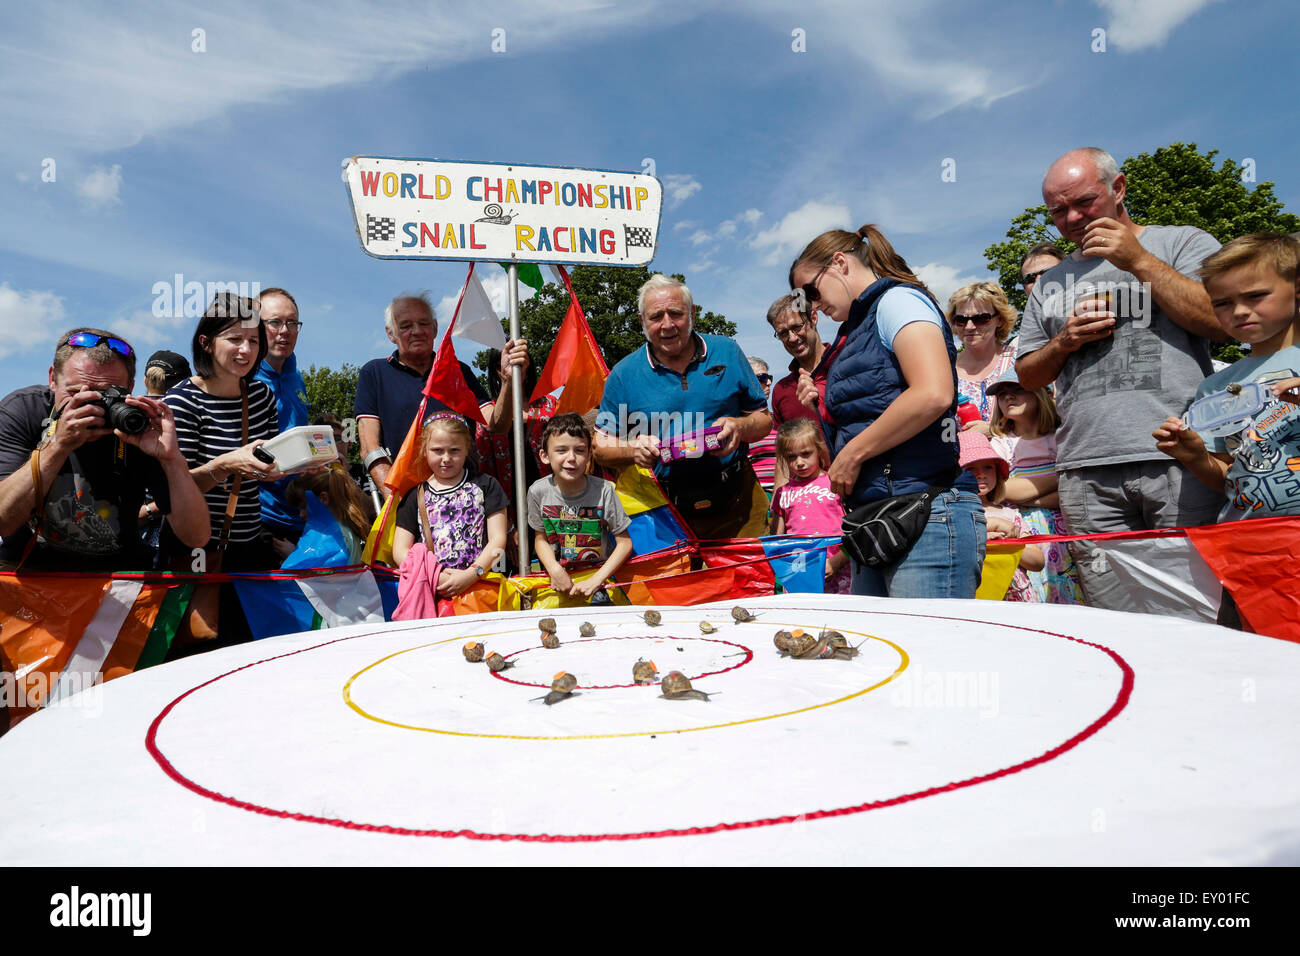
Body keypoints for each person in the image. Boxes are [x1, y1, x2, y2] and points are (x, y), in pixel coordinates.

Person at [1016, 147, 1225, 613]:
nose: (1071, 217)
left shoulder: (1183, 243)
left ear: (1119, 188)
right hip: (1085, 469)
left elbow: (1219, 319)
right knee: (1116, 621)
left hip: (1178, 458)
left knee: (1197, 612)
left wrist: (1137, 260)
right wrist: (1064, 341)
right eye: (1057, 210)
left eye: (1084, 202)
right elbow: (1028, 373)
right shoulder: (1052, 281)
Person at [789, 224, 984, 599]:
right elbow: (875, 412)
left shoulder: (898, 301)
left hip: (924, 515)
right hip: (883, 519)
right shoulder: (858, 325)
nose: (811, 305)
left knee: (927, 654)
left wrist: (854, 453)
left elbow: (933, 392)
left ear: (840, 263)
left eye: (810, 291)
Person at [1152, 233, 1300, 628]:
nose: (1239, 312)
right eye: (1222, 303)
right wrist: (1196, 457)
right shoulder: (1216, 387)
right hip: (1251, 552)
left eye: (1255, 296)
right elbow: (1228, 478)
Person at [0, 329, 209, 570]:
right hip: (27, 574)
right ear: (52, 379)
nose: (89, 405)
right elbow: (3, 522)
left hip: (115, 583)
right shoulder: (25, 410)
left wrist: (172, 460)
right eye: (75, 392)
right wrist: (57, 445)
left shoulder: (138, 425)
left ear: (130, 388)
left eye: (106, 394)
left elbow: (196, 537)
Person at [593, 275, 772, 539]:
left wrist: (740, 427)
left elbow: (763, 420)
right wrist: (633, 450)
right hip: (662, 512)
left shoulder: (727, 351)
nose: (667, 325)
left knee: (748, 580)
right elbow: (600, 446)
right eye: (656, 317)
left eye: (675, 313)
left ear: (692, 313)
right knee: (681, 583)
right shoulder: (623, 374)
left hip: (738, 502)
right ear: (643, 321)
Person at [354, 292, 528, 498]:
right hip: (405, 500)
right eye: (406, 326)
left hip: (463, 502)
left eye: (424, 323)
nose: (417, 331)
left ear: (435, 328)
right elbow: (369, 447)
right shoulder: (374, 372)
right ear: (390, 333)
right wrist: (397, 501)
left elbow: (497, 425)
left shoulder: (457, 371)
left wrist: (508, 381)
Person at [162, 294, 281, 574]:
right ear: (206, 343)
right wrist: (224, 465)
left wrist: (299, 464)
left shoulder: (262, 396)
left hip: (249, 543)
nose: (246, 350)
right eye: (234, 339)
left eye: (253, 341)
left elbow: (268, 463)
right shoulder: (181, 401)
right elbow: (175, 489)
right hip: (193, 548)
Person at [987, 370, 1083, 604]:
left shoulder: (1061, 437)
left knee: (1070, 591)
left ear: (1041, 393)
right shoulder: (1002, 443)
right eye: (1002, 394)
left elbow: (1074, 490)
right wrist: (1062, 474)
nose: (1008, 398)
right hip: (1027, 534)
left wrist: (1028, 497)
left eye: (1017, 390)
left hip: (1065, 528)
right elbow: (1001, 491)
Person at [391, 413, 508, 595]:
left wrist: (472, 574)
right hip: (433, 590)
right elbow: (399, 550)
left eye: (454, 450)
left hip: (481, 588)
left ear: (467, 449)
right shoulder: (414, 496)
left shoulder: (486, 486)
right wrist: (435, 575)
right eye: (438, 450)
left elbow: (498, 540)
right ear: (424, 450)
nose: (446, 458)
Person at [527, 412, 632, 602]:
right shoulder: (537, 491)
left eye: (580, 450)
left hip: (598, 583)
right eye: (561, 450)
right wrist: (554, 569)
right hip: (556, 583)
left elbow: (625, 543)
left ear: (589, 455)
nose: (571, 458)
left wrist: (596, 580)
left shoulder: (605, 490)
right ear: (544, 456)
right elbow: (540, 539)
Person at [958, 430, 1044, 603]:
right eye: (971, 468)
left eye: (988, 467)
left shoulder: (1010, 515)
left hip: (1017, 600)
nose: (981, 474)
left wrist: (1010, 545)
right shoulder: (954, 513)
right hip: (978, 598)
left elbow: (1037, 562)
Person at [254, 287, 310, 546]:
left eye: (292, 323)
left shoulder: (296, 378)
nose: (285, 331)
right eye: (275, 322)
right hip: (257, 518)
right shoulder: (241, 379)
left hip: (299, 516)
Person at [769, 418, 850, 594]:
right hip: (800, 574)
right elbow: (778, 540)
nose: (799, 462)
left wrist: (836, 562)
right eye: (792, 457)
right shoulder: (783, 493)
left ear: (819, 451)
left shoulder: (835, 482)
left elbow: (853, 530)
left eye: (806, 454)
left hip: (838, 571)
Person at [946, 281, 1020, 427]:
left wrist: (994, 430)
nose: (969, 326)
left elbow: (1043, 416)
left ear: (999, 319)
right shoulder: (945, 370)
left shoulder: (1019, 361)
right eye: (961, 320)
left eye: (980, 319)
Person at [285, 466, 373, 565]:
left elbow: (318, 574)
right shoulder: (344, 526)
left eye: (304, 507)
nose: (301, 515)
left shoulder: (330, 536)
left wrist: (292, 554)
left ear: (323, 498)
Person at [766, 293, 825, 426]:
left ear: (813, 318)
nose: (792, 338)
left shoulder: (847, 364)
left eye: (796, 327)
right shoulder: (781, 391)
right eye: (783, 333)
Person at [747, 356, 778, 496]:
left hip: (788, 491)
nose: (769, 382)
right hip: (757, 495)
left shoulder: (779, 418)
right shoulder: (737, 423)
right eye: (762, 378)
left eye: (769, 377)